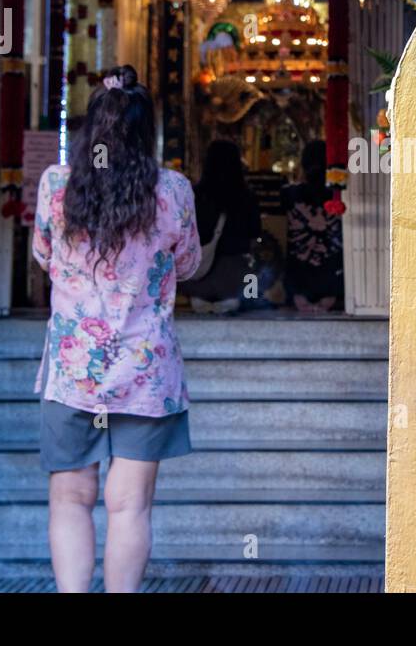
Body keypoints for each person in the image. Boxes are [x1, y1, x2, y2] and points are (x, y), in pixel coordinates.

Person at [30, 65, 201, 593]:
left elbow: (43, 255)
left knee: (70, 499)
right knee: (130, 506)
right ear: (147, 131)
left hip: (73, 372)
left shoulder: (56, 185)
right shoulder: (172, 190)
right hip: (145, 372)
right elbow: (188, 264)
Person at [181, 139, 263, 314]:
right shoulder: (247, 197)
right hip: (235, 279)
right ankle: (242, 297)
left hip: (198, 278)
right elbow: (255, 233)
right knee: (255, 273)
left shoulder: (194, 195)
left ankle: (200, 299)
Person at [279, 139, 343, 313]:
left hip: (297, 283)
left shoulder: (288, 194)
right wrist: (337, 292)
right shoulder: (341, 196)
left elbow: (279, 238)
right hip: (337, 283)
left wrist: (294, 292)